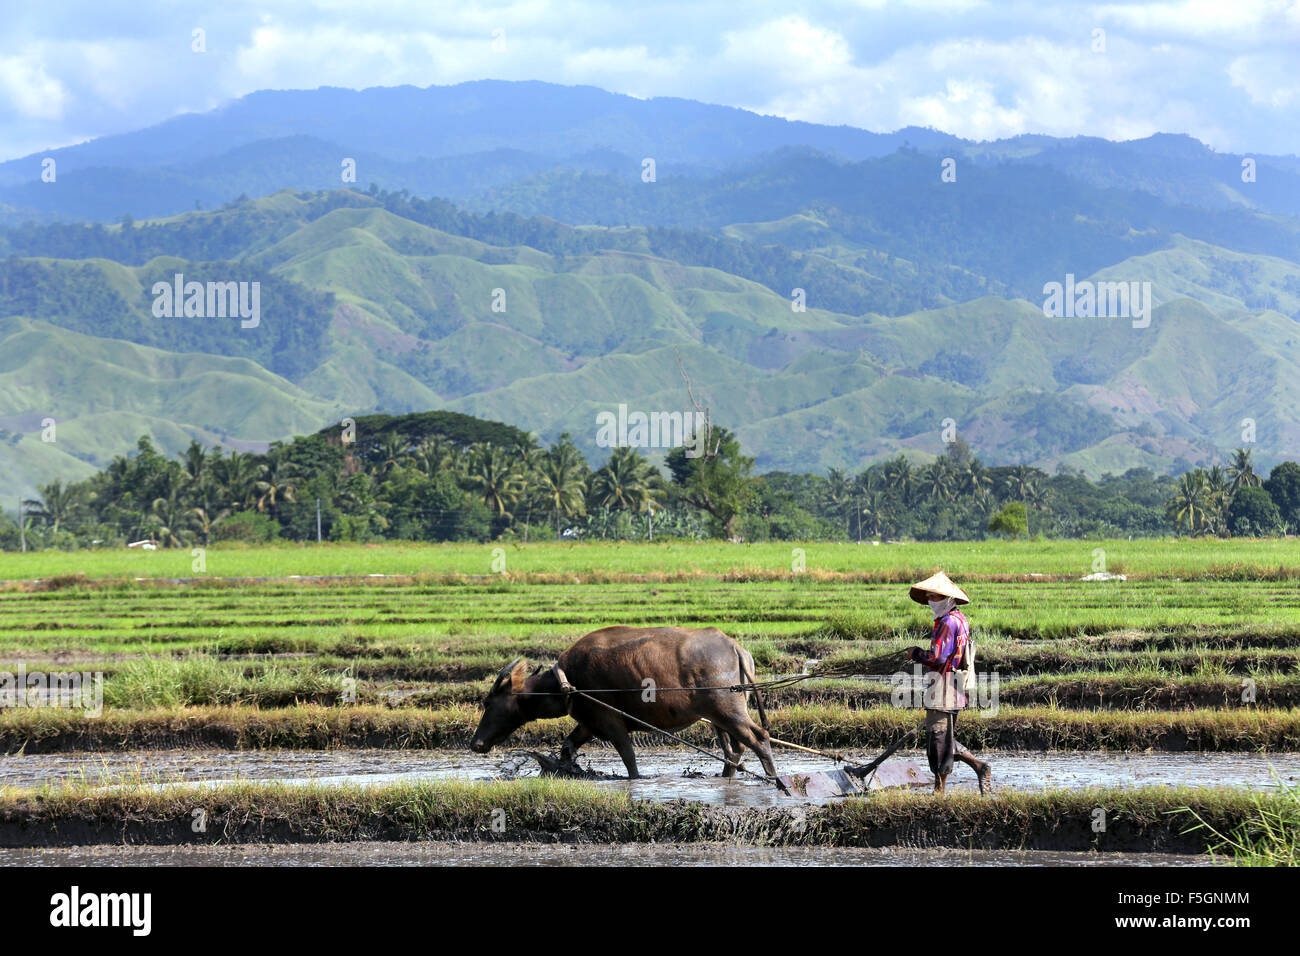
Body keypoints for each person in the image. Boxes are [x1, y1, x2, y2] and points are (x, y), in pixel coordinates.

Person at [904, 571, 992, 795]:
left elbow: (938, 657)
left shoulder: (946, 623)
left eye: (934, 597)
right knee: (945, 736)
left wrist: (916, 654)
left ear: (946, 598)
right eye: (929, 597)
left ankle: (939, 790)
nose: (931, 601)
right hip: (956, 686)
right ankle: (979, 767)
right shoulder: (961, 619)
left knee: (938, 739)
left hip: (942, 687)